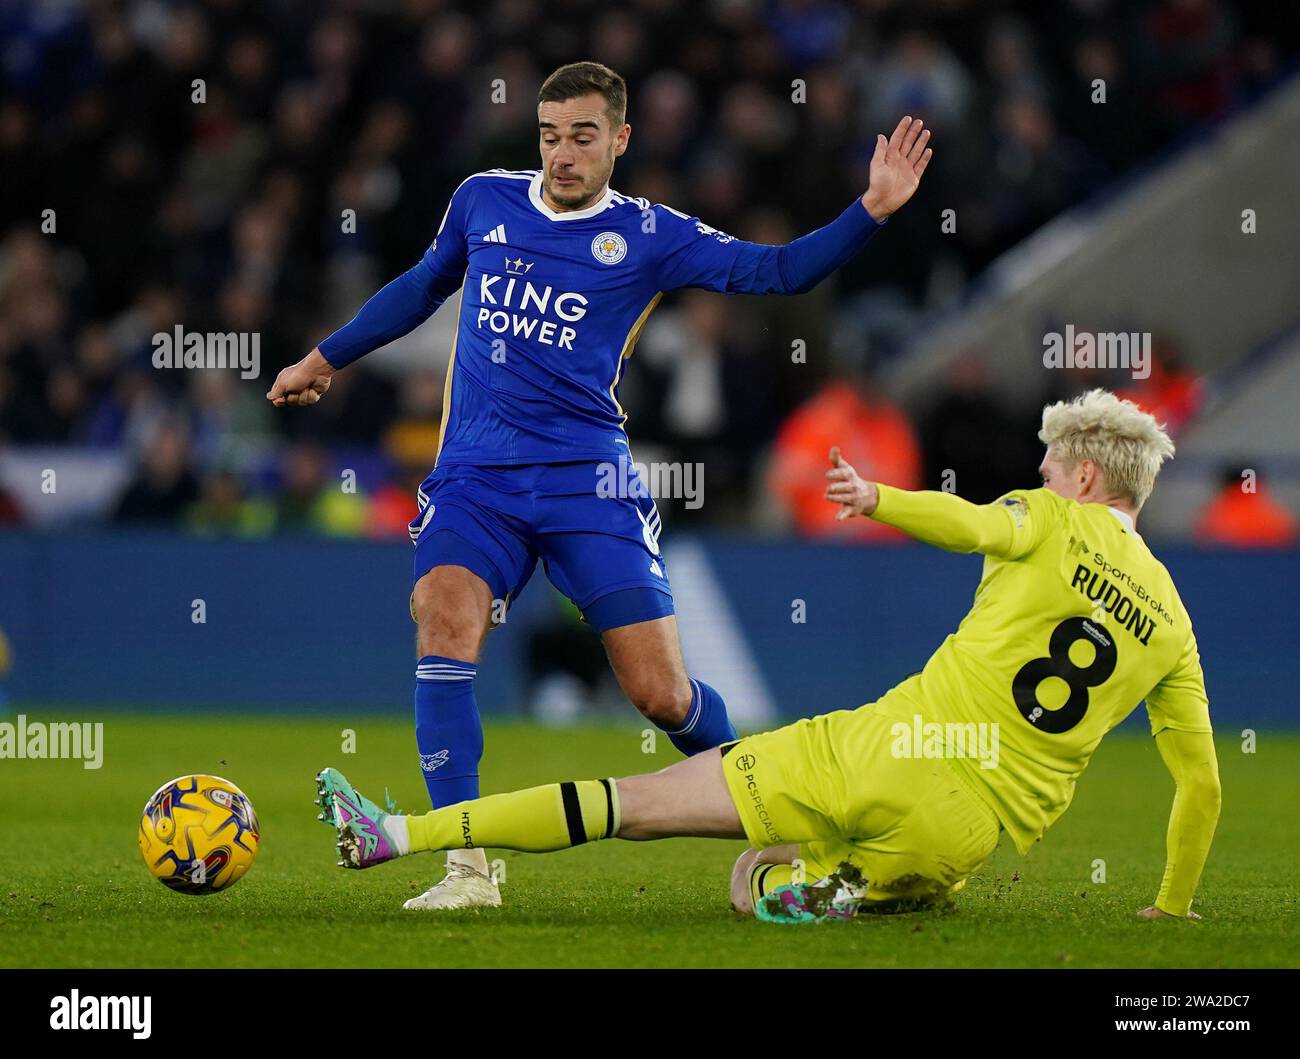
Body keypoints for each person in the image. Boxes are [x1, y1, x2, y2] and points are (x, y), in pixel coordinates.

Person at [269, 61, 933, 909]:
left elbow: (780, 272)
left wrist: (871, 208)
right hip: (476, 477)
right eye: (550, 135)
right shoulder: (484, 201)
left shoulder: (652, 234)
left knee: (660, 692)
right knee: (444, 618)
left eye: (583, 136)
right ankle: (467, 867)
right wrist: (324, 358)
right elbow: (419, 287)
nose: (563, 154)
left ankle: (784, 815)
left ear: (620, 139)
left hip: (589, 483)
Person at [317, 389, 1220, 923]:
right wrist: (1171, 906)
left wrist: (879, 498)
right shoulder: (1175, 622)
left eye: (1056, 466)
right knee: (799, 880)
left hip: (874, 749)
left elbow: (972, 521)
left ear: (1088, 478)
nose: (1048, 476)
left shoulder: (1050, 516)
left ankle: (399, 835)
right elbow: (1203, 785)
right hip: (972, 829)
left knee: (628, 804)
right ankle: (829, 887)